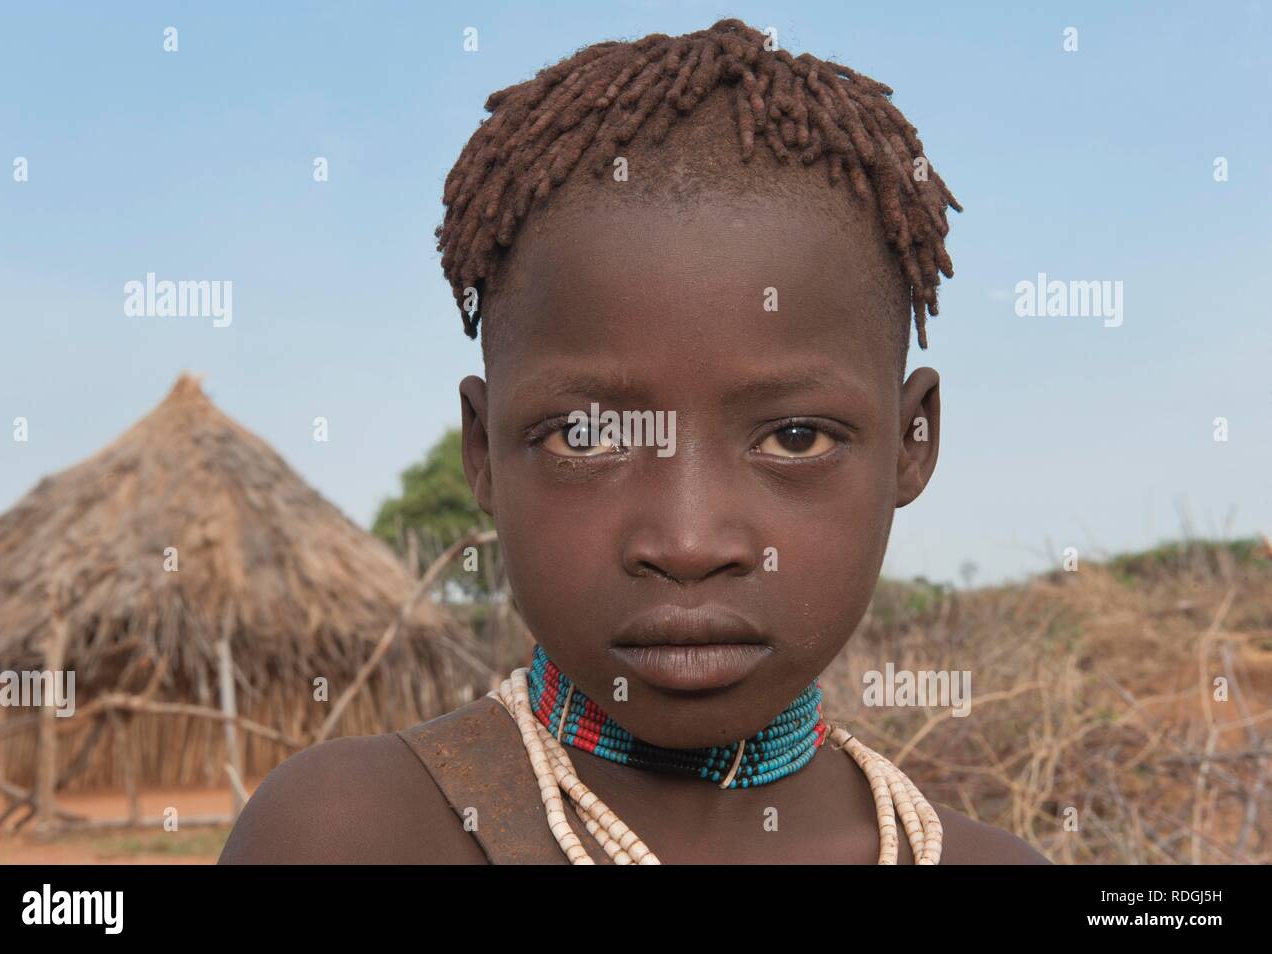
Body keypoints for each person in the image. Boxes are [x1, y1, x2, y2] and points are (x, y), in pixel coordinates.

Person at [219, 17, 1050, 865]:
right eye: (588, 436)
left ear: (914, 442)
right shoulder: (347, 835)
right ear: (483, 453)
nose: (687, 543)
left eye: (795, 438)